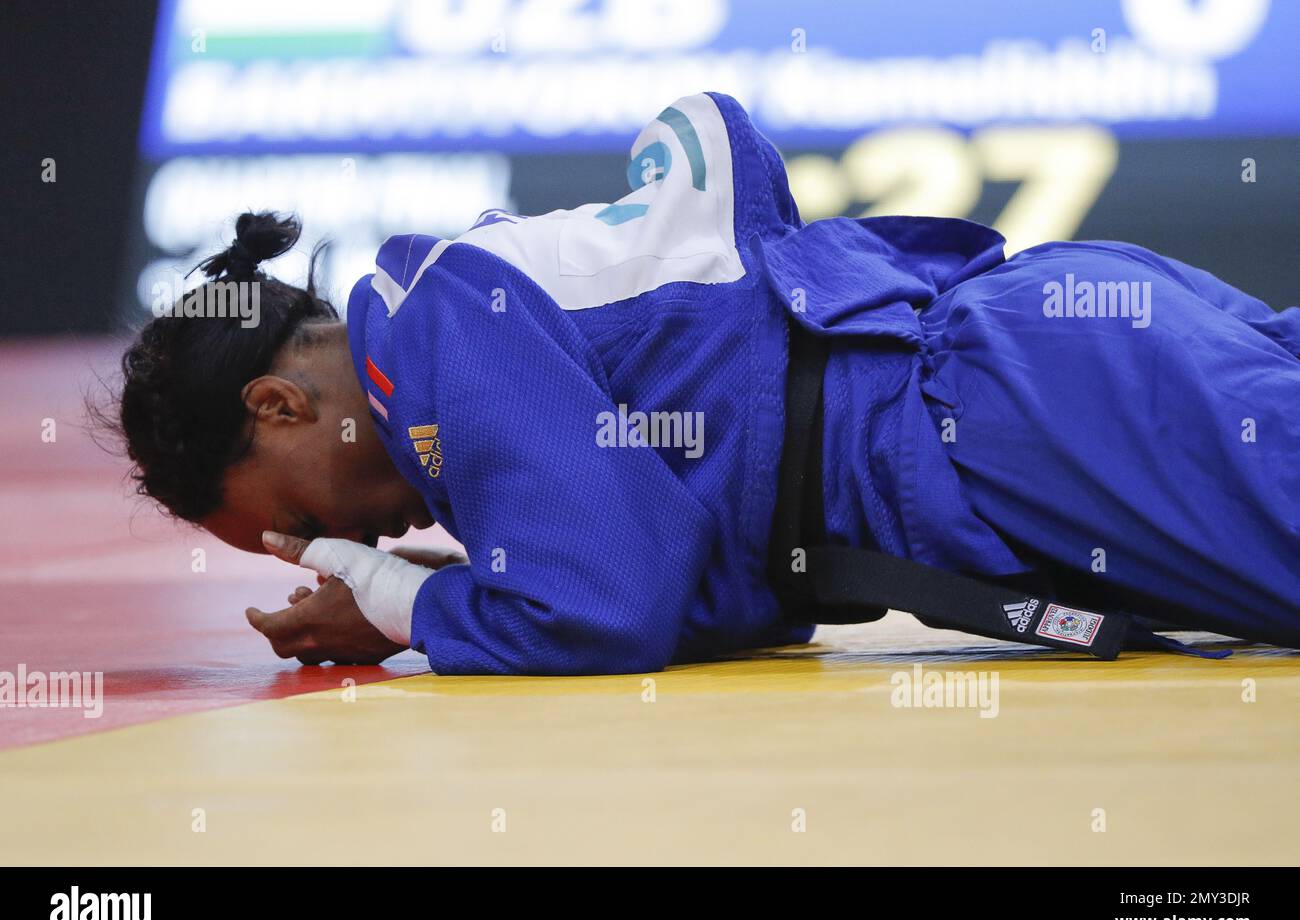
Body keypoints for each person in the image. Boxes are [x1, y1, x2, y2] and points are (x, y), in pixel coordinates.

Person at [108, 92, 1300, 674]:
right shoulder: (459, 340)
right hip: (1041, 379)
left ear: (278, 406)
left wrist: (394, 600)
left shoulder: (437, 335)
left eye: (306, 524)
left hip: (1017, 408)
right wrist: (464, 584)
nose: (343, 538)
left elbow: (610, 604)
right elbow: (730, 602)